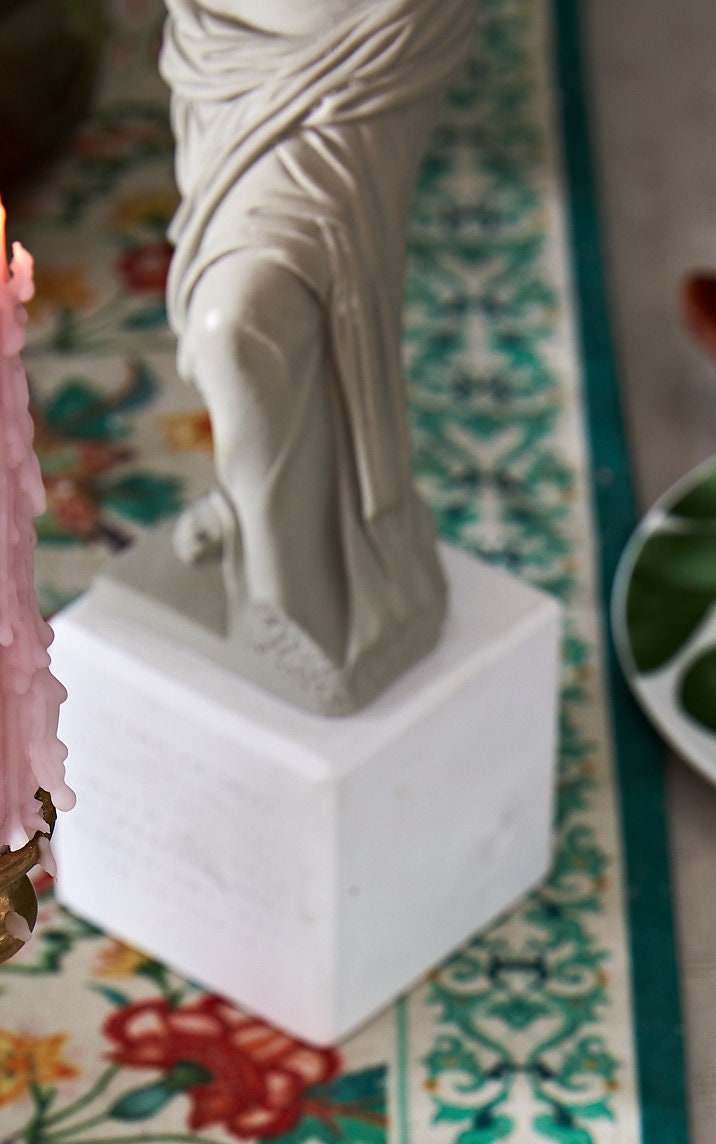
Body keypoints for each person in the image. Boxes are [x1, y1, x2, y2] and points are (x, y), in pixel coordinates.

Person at [161, 0, 477, 713]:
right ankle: (263, 517)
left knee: (239, 323)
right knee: (256, 332)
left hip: (350, 40)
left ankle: (292, 617)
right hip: (222, 49)